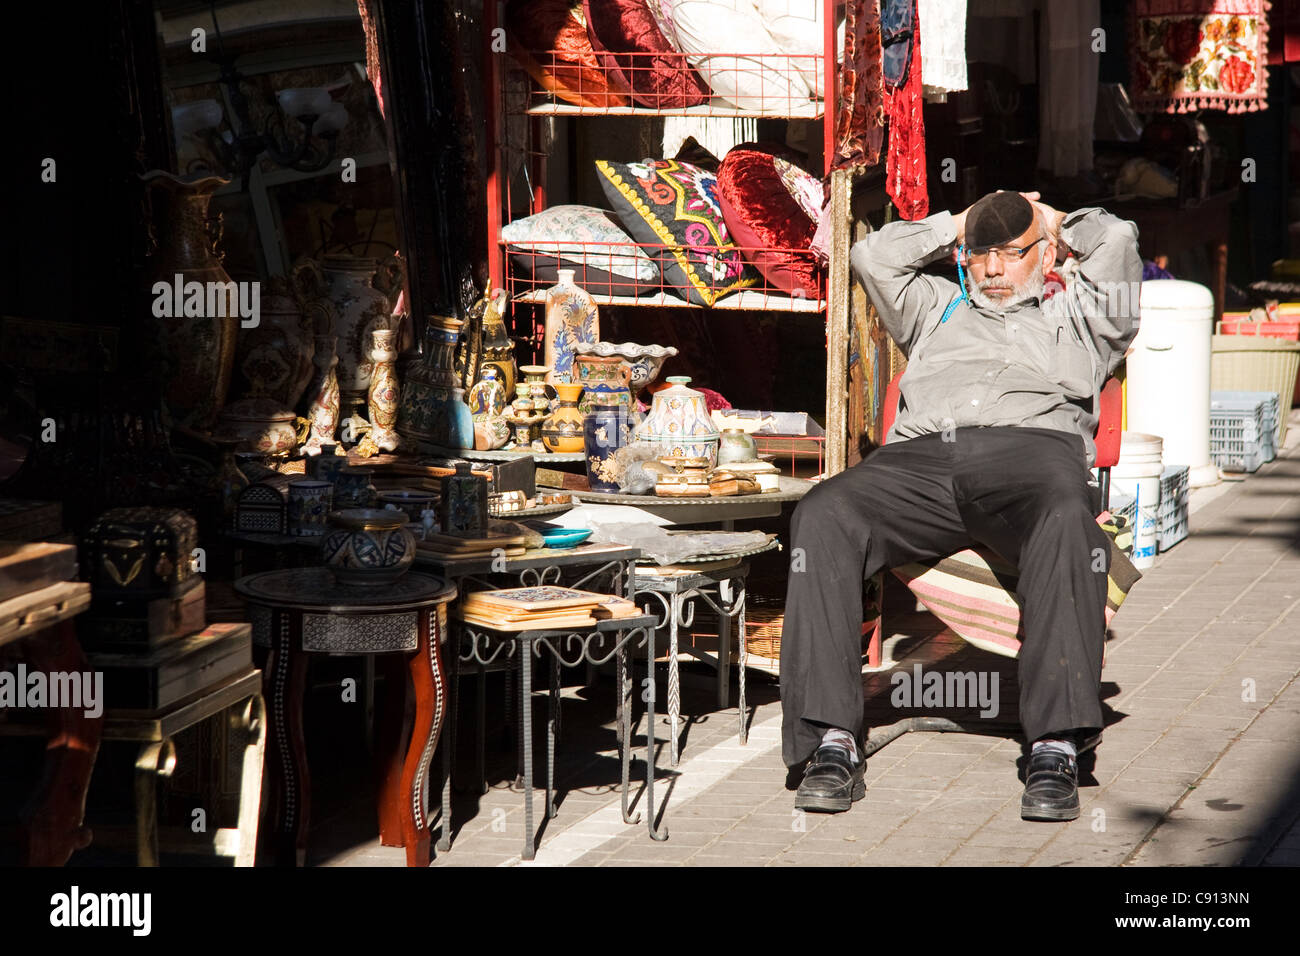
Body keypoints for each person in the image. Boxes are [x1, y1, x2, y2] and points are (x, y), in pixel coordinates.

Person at [781, 190, 1141, 821]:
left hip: (1032, 454)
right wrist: (958, 220)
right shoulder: (938, 308)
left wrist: (1054, 219)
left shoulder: (1084, 315)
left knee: (1065, 520)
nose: (994, 269)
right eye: (980, 255)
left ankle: (1055, 745)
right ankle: (831, 741)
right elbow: (871, 255)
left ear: (1046, 252)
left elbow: (1118, 244)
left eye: (1010, 253)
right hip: (921, 460)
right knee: (823, 511)